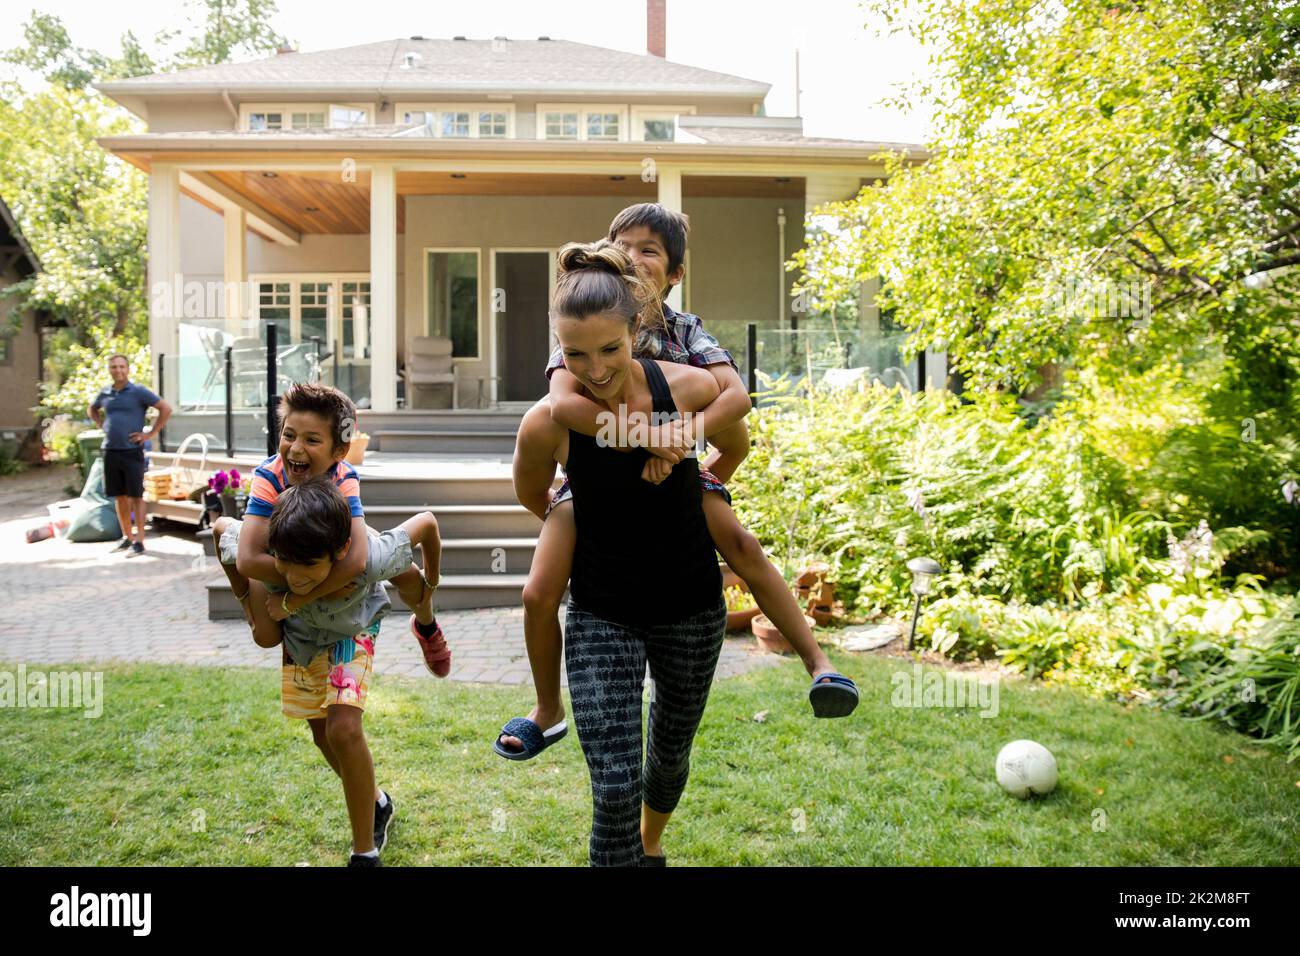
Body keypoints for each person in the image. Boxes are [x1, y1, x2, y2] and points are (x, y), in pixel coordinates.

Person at [496, 204, 858, 760]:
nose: (636, 260)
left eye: (651, 251)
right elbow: (563, 404)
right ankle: (547, 710)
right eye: (626, 248)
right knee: (538, 590)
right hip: (593, 475)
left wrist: (687, 449)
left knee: (740, 544)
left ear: (674, 275)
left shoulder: (685, 332)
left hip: (678, 468)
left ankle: (820, 664)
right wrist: (646, 437)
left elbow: (735, 401)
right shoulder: (582, 325)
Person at [513, 241, 740, 865]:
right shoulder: (551, 418)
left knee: (668, 757)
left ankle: (651, 846)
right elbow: (532, 490)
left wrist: (686, 444)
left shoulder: (683, 387)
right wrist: (581, 520)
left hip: (689, 605)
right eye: (575, 354)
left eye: (610, 349)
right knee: (614, 783)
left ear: (637, 330)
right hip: (600, 609)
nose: (595, 367)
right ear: (558, 351)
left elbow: (738, 410)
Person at [213, 477, 442, 866]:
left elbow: (427, 523)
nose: (295, 575)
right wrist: (247, 602)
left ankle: (364, 853)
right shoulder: (271, 547)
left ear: (340, 553)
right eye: (285, 564)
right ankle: (378, 803)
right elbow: (221, 529)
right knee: (324, 737)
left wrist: (432, 583)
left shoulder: (367, 558)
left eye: (308, 567)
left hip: (354, 629)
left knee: (343, 729)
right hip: (303, 640)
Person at [234, 381, 451, 676]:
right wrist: (314, 579)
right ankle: (223, 527)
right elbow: (248, 560)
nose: (296, 448)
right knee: (266, 637)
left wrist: (303, 596)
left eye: (312, 440)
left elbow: (357, 560)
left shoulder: (343, 475)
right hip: (287, 549)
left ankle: (425, 624)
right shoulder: (270, 476)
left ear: (340, 450)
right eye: (289, 435)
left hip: (332, 538)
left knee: (400, 568)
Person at [88, 354, 172, 556]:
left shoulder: (138, 391)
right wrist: (103, 426)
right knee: (119, 496)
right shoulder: (105, 393)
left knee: (136, 496)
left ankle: (140, 541)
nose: (118, 370)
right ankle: (127, 537)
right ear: (110, 369)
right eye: (114, 367)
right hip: (111, 450)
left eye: (121, 366)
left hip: (132, 451)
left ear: (128, 369)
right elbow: (92, 409)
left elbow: (165, 409)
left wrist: (150, 433)